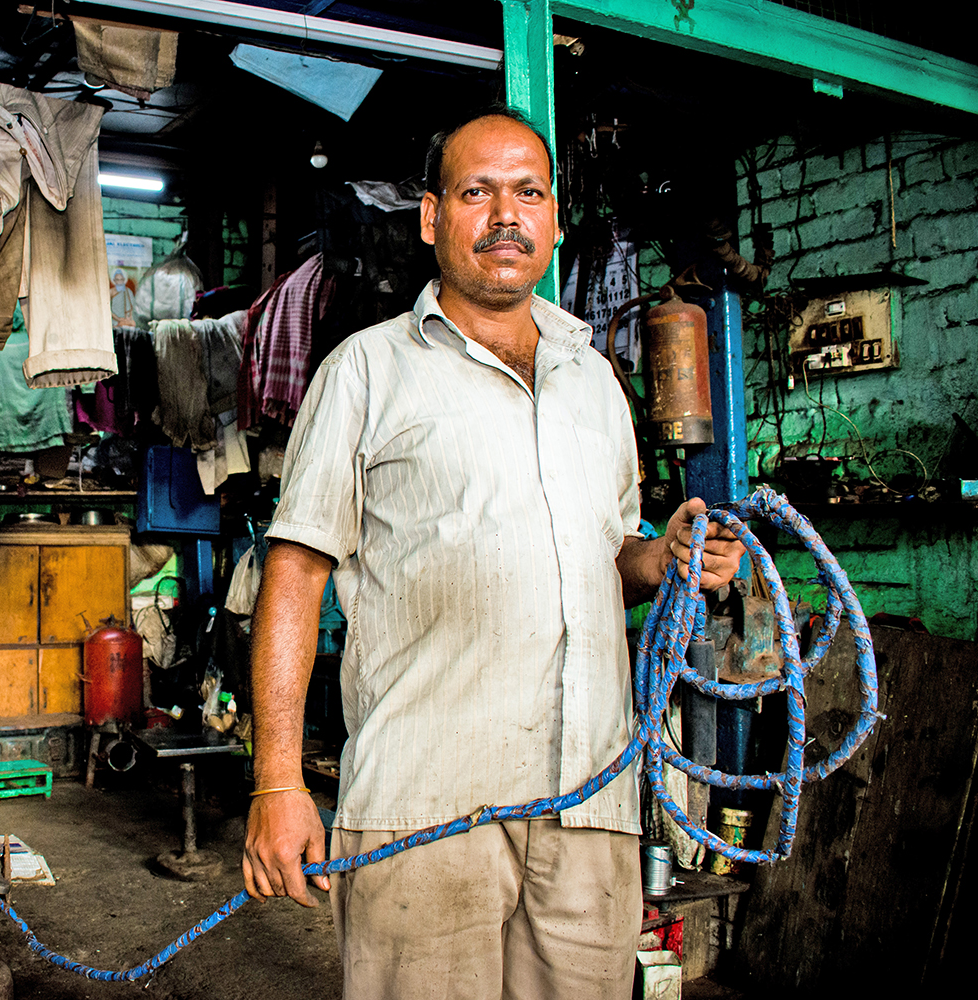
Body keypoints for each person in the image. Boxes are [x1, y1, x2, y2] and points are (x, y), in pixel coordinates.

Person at [241, 107, 746, 1000]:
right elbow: (295, 571)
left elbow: (608, 557)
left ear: (554, 219)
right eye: (477, 192)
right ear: (432, 217)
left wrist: (665, 556)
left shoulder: (594, 379)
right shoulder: (366, 370)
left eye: (528, 193)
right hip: (425, 807)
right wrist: (277, 783)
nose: (506, 215)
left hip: (590, 805)